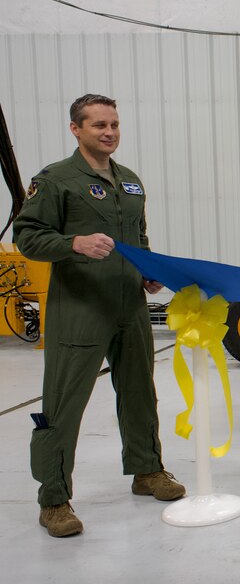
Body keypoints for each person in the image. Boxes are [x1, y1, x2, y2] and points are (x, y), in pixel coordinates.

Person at [15, 94, 185, 538]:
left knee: (139, 391)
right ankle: (53, 499)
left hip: (129, 306)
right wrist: (73, 244)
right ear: (76, 129)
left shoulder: (129, 181)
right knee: (63, 401)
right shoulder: (55, 180)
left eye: (114, 124)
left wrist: (147, 271)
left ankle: (147, 470)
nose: (109, 132)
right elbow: (27, 237)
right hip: (80, 308)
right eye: (99, 125)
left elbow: (139, 237)